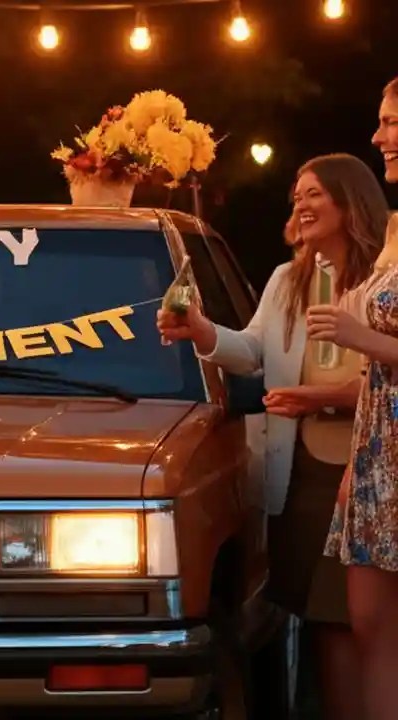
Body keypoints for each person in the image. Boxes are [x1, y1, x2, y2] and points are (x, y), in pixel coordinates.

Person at [158, 153, 389, 719]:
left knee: (366, 625)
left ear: (349, 200)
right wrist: (201, 332)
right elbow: (253, 351)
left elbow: (381, 379)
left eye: (313, 194)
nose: (301, 205)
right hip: (306, 471)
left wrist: (323, 399)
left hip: (374, 463)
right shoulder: (290, 280)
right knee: (322, 619)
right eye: (296, 196)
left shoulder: (387, 280)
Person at [313, 76, 398, 720]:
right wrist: (352, 466)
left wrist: (360, 336)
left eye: (392, 121)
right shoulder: (395, 230)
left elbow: (375, 345)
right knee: (368, 628)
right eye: (379, 120)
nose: (378, 136)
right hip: (377, 459)